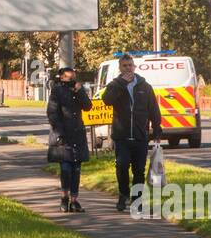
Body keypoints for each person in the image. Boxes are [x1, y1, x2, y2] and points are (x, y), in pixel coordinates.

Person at [102, 53, 163, 212]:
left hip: (140, 135)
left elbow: (153, 110)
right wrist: (121, 84)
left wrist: (156, 130)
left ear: (134, 67)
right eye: (125, 66)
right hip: (121, 135)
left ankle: (137, 200)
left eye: (130, 65)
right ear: (120, 68)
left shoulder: (144, 86)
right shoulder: (115, 85)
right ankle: (123, 194)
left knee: (139, 170)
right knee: (122, 165)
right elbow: (107, 100)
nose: (128, 68)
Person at [46, 67, 92, 212]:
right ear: (61, 77)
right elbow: (52, 112)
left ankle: (74, 200)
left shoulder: (78, 90)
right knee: (66, 168)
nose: (70, 80)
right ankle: (64, 197)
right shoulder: (56, 90)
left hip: (77, 134)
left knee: (76, 169)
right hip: (63, 135)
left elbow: (87, 106)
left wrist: (80, 92)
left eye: (72, 77)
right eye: (67, 77)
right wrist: (59, 132)